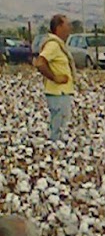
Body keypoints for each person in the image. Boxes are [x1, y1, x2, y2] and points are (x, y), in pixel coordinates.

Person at [32, 14, 76, 143]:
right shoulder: (53, 45)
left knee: (61, 124)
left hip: (62, 92)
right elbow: (40, 62)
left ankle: (58, 148)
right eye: (67, 25)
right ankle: (56, 149)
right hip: (58, 93)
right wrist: (55, 77)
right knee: (58, 126)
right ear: (59, 27)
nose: (69, 28)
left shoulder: (59, 44)